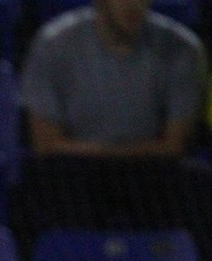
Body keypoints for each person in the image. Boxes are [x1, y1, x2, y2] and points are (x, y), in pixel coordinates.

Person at [16, 0, 212, 243]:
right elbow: (45, 143)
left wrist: (111, 151)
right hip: (77, 170)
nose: (134, 6)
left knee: (196, 183)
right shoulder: (53, 44)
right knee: (48, 179)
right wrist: (108, 151)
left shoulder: (183, 48)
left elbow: (174, 146)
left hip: (151, 171)